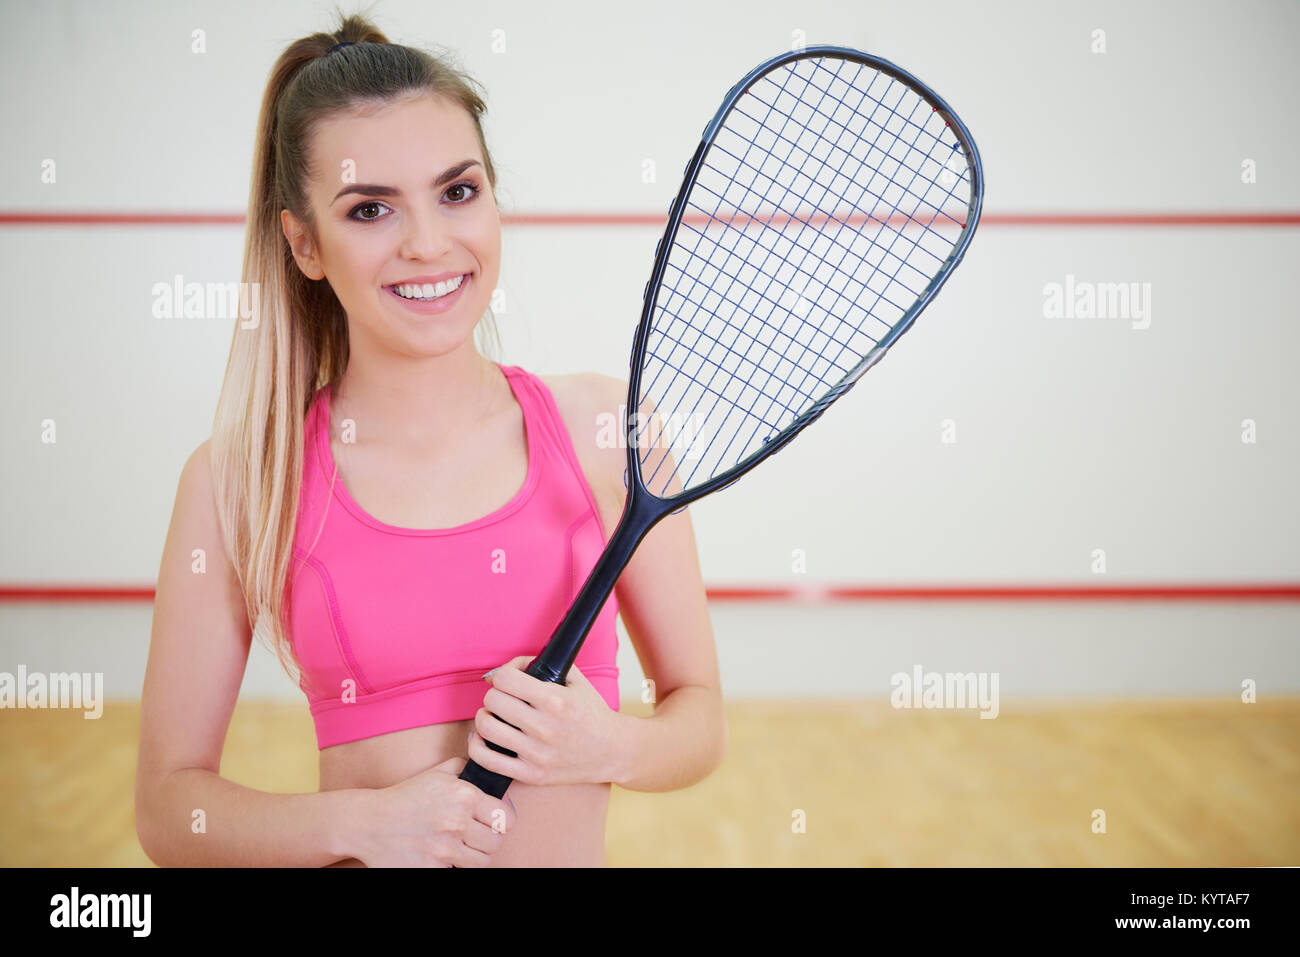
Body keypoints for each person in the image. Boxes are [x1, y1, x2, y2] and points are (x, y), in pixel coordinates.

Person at [134, 12, 725, 867]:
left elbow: (699, 713)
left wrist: (612, 748)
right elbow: (167, 809)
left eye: (458, 191)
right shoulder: (239, 477)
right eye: (370, 209)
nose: (428, 243)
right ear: (304, 243)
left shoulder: (608, 432)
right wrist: (364, 825)